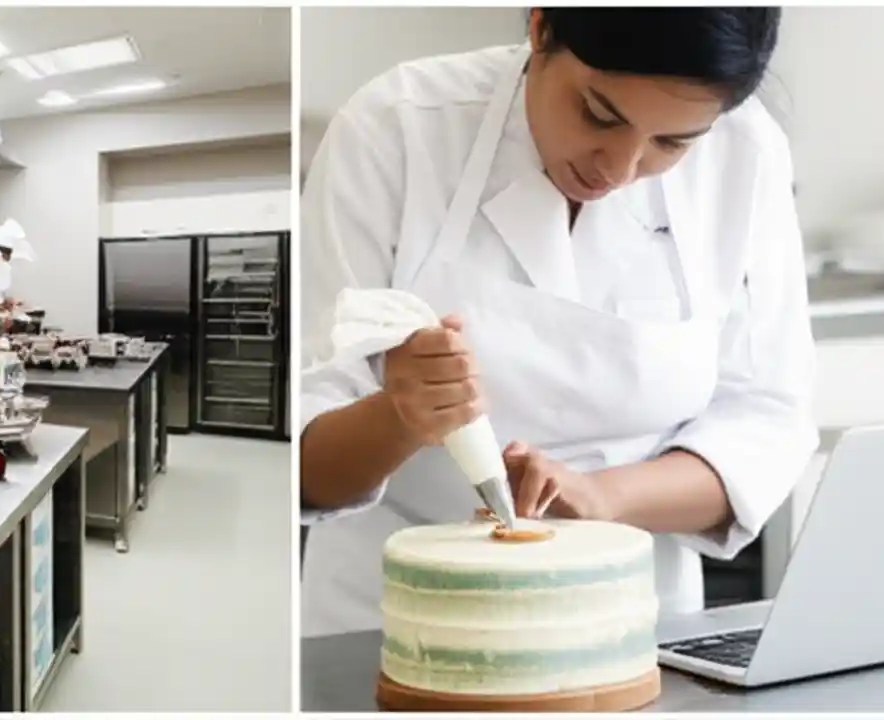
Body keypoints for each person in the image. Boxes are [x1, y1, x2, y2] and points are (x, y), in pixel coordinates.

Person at [299, 8, 816, 636]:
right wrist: (400, 415)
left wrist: (602, 499)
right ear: (541, 27)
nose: (619, 169)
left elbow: (768, 418)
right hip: (394, 622)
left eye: (673, 143)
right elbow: (303, 460)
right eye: (599, 115)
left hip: (631, 621)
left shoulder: (748, 151)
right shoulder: (397, 127)